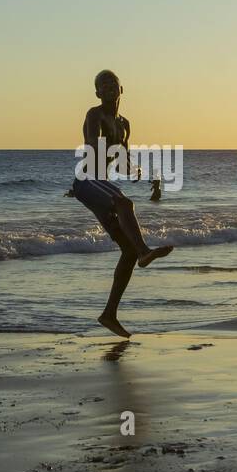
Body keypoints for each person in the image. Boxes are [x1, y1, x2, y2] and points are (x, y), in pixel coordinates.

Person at [71, 70, 173, 337]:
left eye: (112, 84)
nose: (108, 88)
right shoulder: (94, 115)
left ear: (121, 89)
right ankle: (144, 252)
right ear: (97, 93)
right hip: (86, 179)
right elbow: (93, 147)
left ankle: (109, 314)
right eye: (102, 85)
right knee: (124, 203)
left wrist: (134, 169)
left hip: (100, 183)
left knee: (125, 251)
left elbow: (122, 159)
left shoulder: (125, 123)